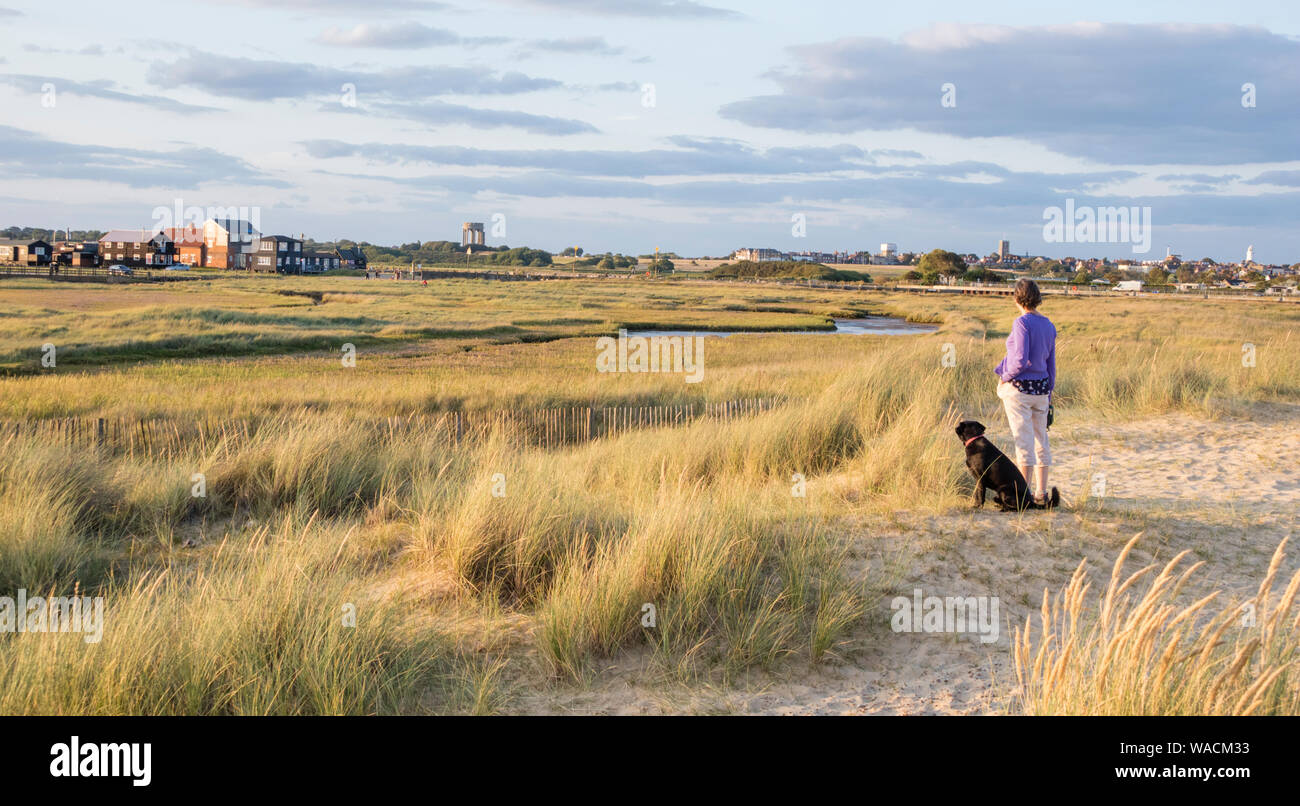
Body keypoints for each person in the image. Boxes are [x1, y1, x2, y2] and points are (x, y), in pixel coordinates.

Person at [994, 278, 1057, 506]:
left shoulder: (1021, 323)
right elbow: (1051, 365)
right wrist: (1049, 393)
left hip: (1020, 389)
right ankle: (1041, 493)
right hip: (1041, 389)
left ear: (1017, 298)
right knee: (1042, 441)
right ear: (1038, 297)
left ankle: (1024, 494)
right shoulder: (1049, 325)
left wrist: (1005, 376)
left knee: (1024, 441)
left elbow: (1019, 360)